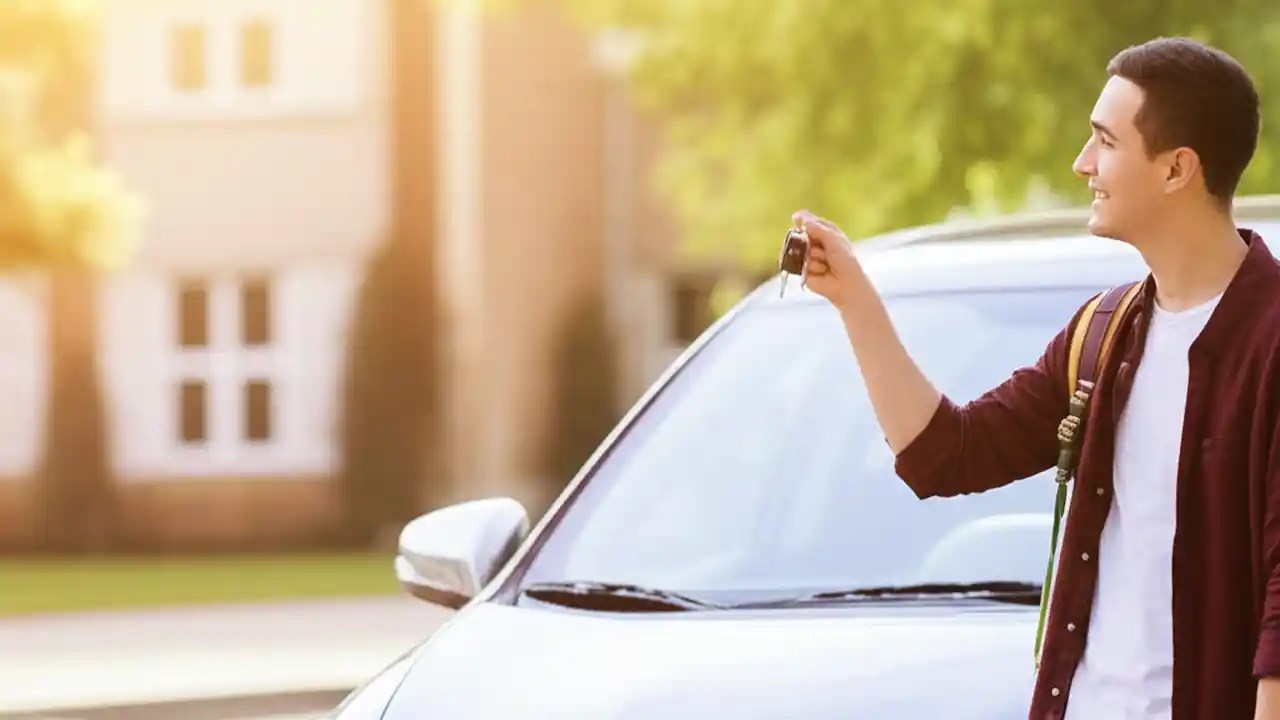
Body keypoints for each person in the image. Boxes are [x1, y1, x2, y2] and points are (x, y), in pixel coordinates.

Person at [795, 37, 1280, 719]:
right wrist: (855, 300)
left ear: (1177, 169)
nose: (1083, 164)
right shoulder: (1103, 336)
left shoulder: (1271, 342)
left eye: (1105, 142)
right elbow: (945, 454)